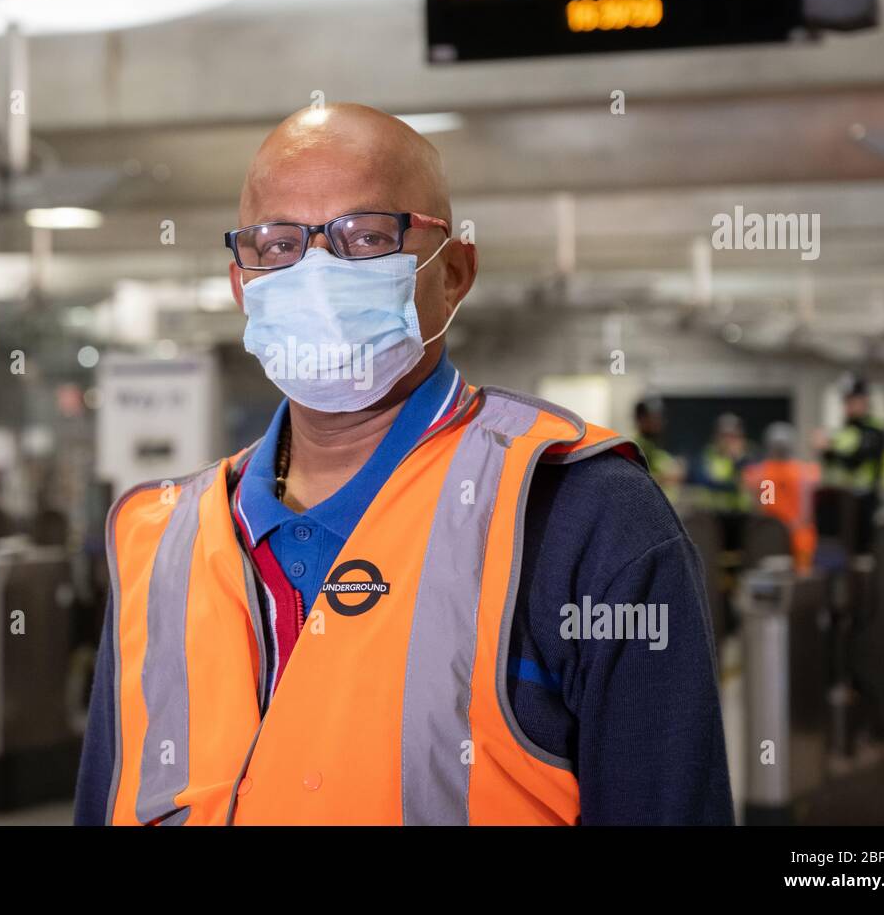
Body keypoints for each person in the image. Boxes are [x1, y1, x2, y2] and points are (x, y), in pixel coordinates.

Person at [75, 103, 731, 826]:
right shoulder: (158, 544)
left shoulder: (582, 516)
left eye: (364, 237)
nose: (315, 274)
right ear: (241, 285)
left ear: (452, 272)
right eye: (278, 243)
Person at [816, 375, 884, 554]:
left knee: (863, 553)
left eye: (852, 400)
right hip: (839, 501)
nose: (848, 406)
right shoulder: (842, 430)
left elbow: (854, 462)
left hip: (865, 502)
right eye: (846, 401)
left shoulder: (875, 430)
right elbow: (829, 462)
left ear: (864, 401)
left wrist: (829, 449)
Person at [742, 422, 820, 574]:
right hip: (792, 536)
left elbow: (764, 507)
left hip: (780, 538)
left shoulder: (761, 473)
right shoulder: (806, 472)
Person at [691, 413, 754, 555]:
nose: (728, 441)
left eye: (733, 436)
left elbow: (754, 483)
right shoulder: (708, 456)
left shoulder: (748, 458)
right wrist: (732, 485)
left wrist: (737, 461)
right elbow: (705, 481)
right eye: (724, 436)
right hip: (714, 518)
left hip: (740, 517)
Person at [633, 395, 683, 501]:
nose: (659, 422)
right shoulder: (636, 446)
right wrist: (665, 478)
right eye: (654, 417)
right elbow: (634, 480)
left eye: (660, 417)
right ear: (641, 419)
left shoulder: (656, 447)